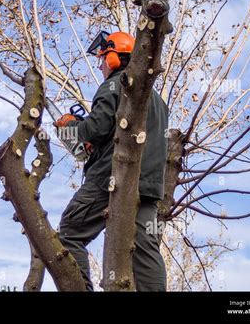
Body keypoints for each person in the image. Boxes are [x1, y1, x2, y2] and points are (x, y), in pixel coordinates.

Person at [54, 31, 169, 291]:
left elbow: (94, 129)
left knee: (69, 232)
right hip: (148, 186)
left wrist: (74, 127)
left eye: (103, 58)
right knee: (145, 249)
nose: (101, 65)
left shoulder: (116, 83)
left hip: (111, 179)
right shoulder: (159, 101)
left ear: (115, 58)